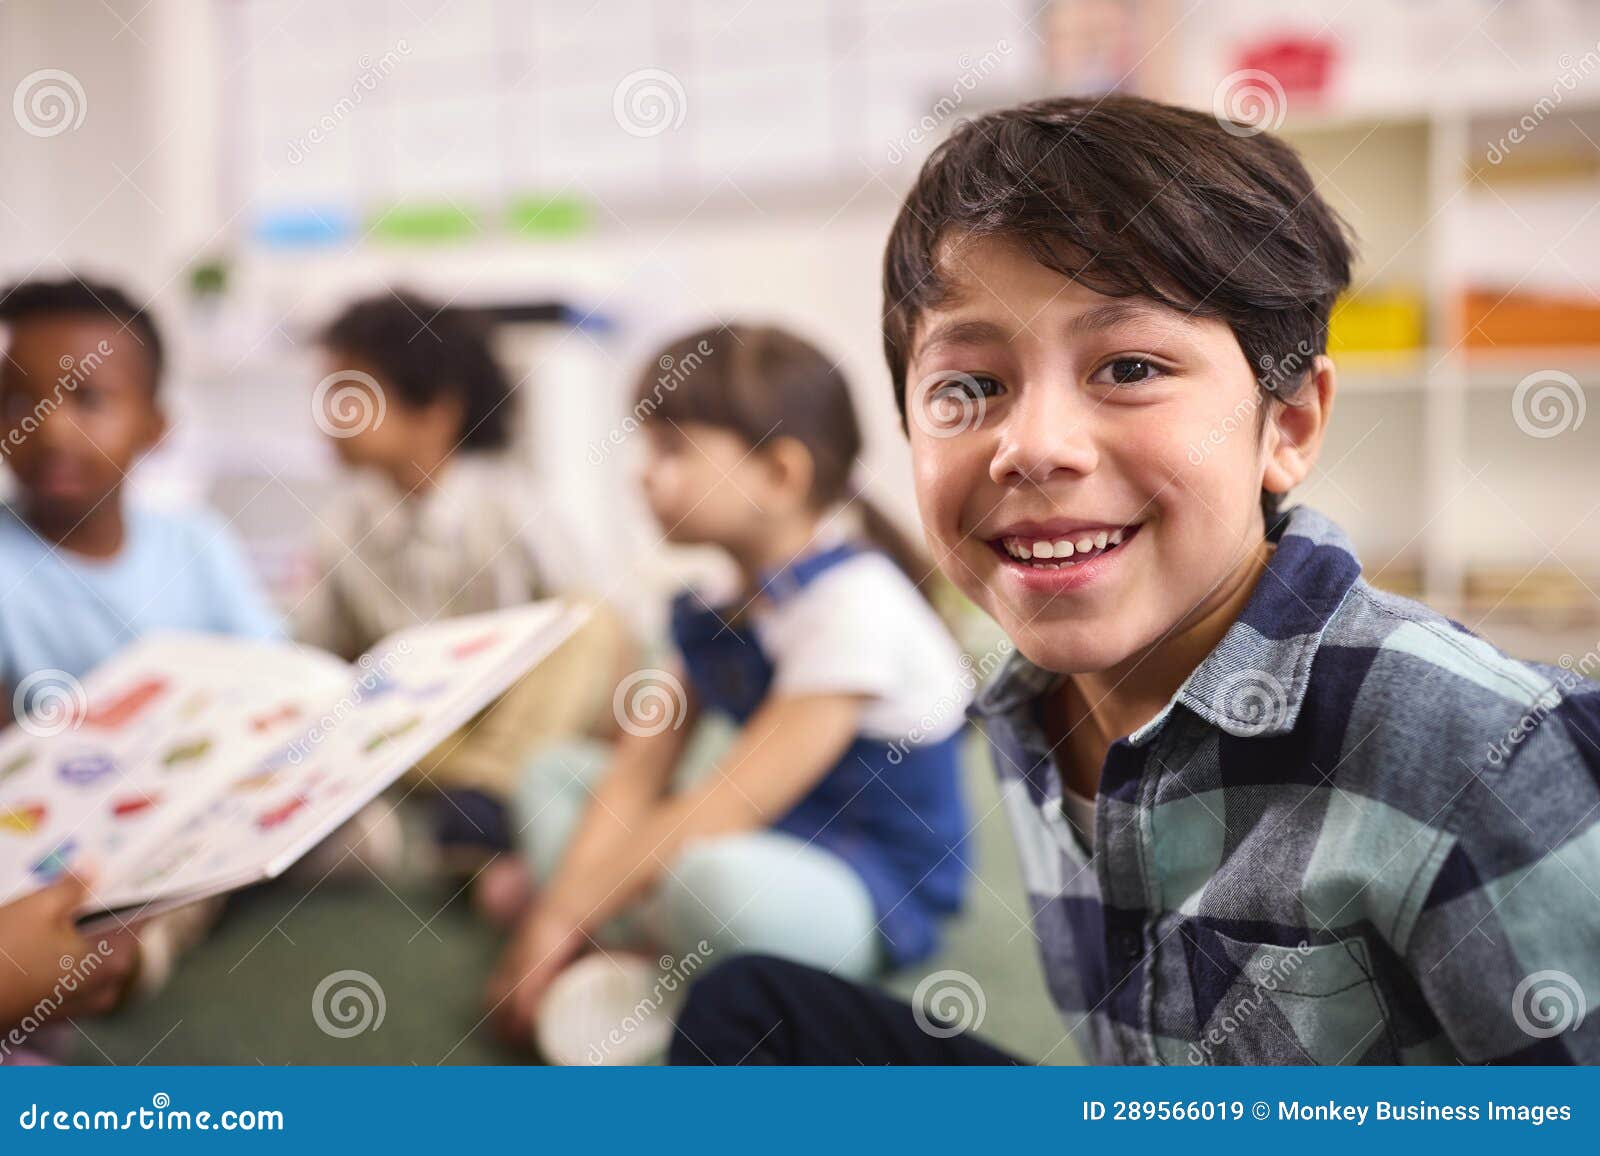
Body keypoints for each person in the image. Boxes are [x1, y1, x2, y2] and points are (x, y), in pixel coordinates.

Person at [671, 95, 1600, 1065]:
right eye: (969, 387)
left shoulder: (1480, 747)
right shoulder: (1031, 708)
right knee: (750, 1011)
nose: (1031, 447)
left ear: (1286, 425)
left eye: (1127, 365)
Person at [487, 324, 974, 1061]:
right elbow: (633, 774)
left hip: (864, 883)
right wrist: (562, 913)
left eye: (672, 450)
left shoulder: (855, 606)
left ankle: (637, 948)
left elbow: (726, 804)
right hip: (759, 836)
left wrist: (555, 917)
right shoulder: (714, 599)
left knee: (709, 879)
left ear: (780, 474)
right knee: (553, 774)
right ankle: (629, 932)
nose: (642, 475)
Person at [297, 292, 630, 885]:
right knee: (336, 694)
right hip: (429, 733)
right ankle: (483, 798)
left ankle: (487, 796)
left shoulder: (509, 503)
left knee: (593, 621)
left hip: (522, 711)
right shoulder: (342, 522)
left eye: (350, 394)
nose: (328, 415)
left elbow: (601, 627)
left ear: (434, 413)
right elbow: (325, 652)